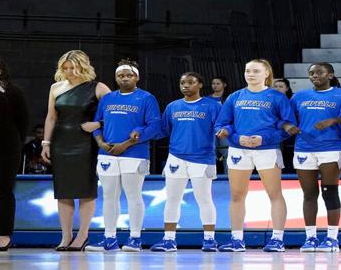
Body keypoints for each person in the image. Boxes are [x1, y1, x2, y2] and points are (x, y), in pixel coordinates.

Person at [214, 59, 299, 252]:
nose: (250, 74)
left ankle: (277, 239)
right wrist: (234, 137)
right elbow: (222, 124)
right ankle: (237, 239)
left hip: (267, 151)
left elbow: (288, 127)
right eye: (247, 71)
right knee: (237, 195)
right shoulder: (234, 97)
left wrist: (264, 139)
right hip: (238, 150)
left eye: (255, 71)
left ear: (266, 74)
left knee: (274, 194)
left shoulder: (277, 97)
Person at [88, 59, 162, 251]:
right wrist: (101, 143)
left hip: (134, 154)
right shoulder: (108, 98)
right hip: (107, 154)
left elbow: (154, 126)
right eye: (121, 76)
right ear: (116, 78)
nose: (125, 79)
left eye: (129, 75)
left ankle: (135, 238)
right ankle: (109, 239)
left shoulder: (146, 98)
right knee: (109, 196)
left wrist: (127, 144)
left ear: (136, 77)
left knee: (133, 195)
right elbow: (97, 124)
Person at [41, 49, 108, 251]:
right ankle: (66, 236)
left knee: (86, 190)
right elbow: (51, 117)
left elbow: (115, 114)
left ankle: (83, 235)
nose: (69, 71)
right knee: (63, 191)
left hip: (86, 143)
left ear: (84, 67)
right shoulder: (55, 87)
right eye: (66, 68)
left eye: (73, 68)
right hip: (61, 141)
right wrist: (46, 143)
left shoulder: (98, 88)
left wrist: (97, 124)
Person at [153, 72, 221, 252]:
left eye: (191, 82)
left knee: (204, 199)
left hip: (202, 158)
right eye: (182, 82)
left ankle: (209, 239)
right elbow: (163, 130)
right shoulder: (173, 106)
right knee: (172, 199)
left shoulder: (212, 106)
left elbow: (222, 127)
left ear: (200, 85)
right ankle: (168, 240)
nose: (186, 85)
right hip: (176, 157)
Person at [290, 62, 341, 251]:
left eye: (319, 72)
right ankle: (311, 237)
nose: (315, 75)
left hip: (331, 147)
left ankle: (332, 238)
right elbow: (288, 118)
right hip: (303, 148)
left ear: (330, 75)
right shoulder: (299, 96)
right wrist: (288, 126)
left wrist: (333, 120)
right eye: (312, 73)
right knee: (309, 194)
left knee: (329, 192)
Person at [0, 55, 30, 250]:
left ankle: (4, 235)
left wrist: (15, 144)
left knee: (2, 191)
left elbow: (23, 121)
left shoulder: (11, 92)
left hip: (5, 146)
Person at [272, 76, 297, 171]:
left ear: (287, 88)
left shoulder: (292, 101)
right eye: (275, 86)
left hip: (288, 134)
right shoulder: (268, 100)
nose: (277, 88)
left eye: (280, 86)